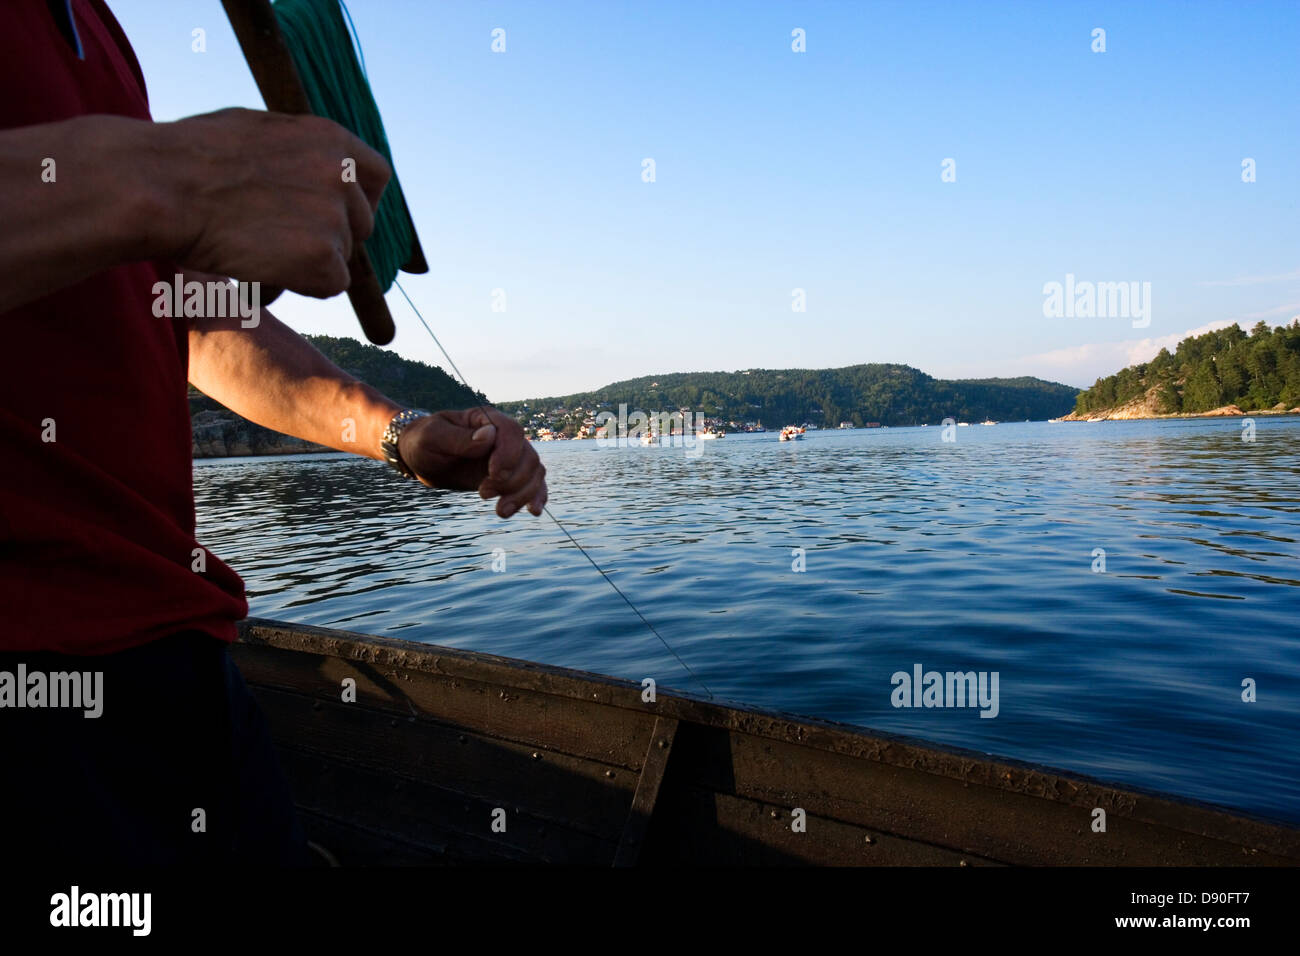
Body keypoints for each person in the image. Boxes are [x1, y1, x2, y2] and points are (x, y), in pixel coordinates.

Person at [0, 0, 547, 864]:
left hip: (175, 648)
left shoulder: (101, 31)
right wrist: (169, 180)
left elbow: (185, 315)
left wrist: (398, 433)